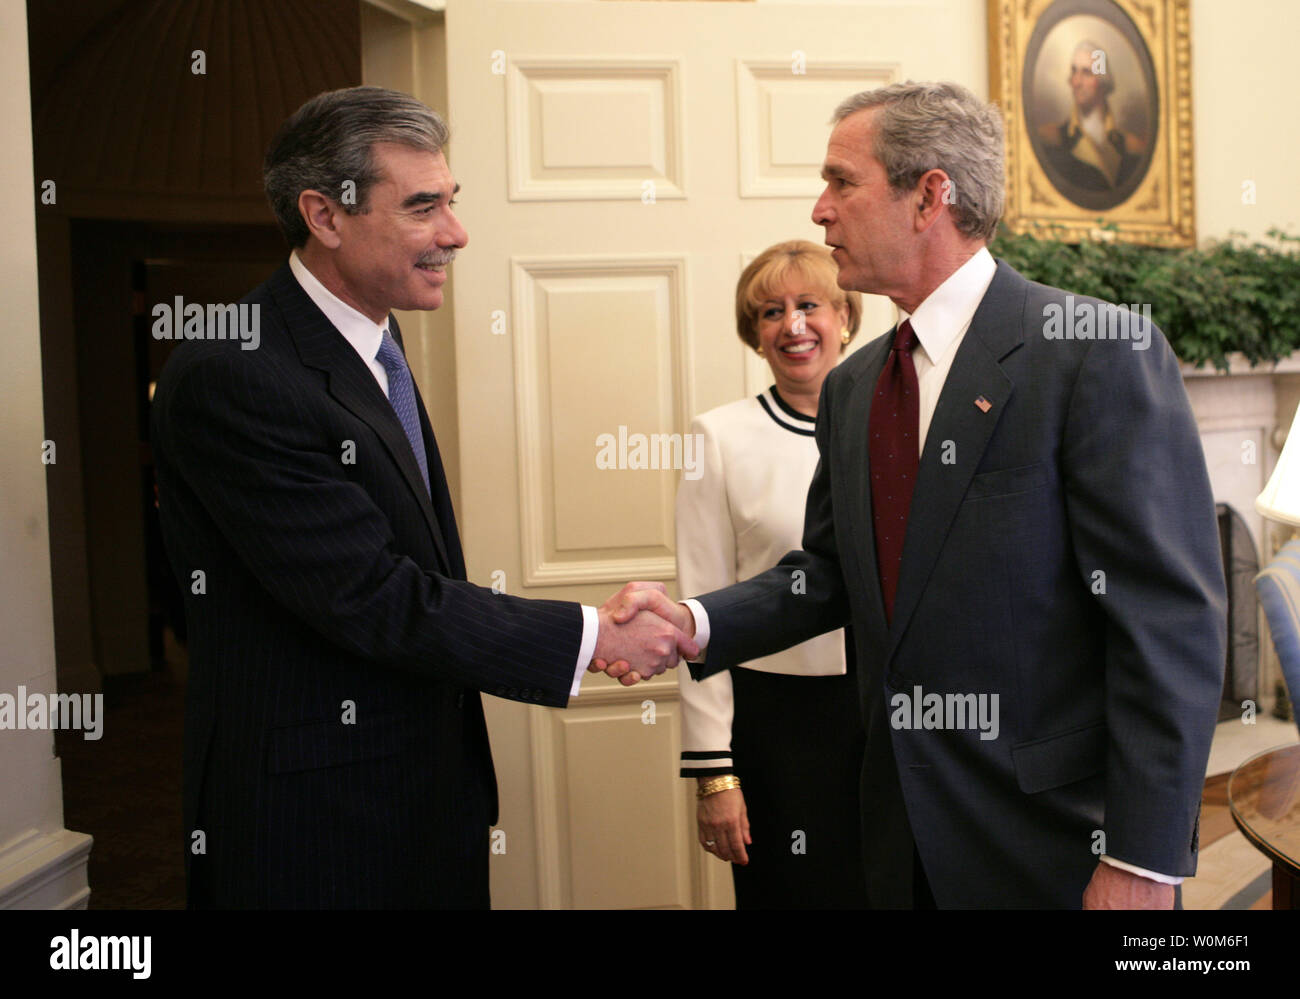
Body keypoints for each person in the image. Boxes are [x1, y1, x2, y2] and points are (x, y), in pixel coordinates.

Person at [611, 81, 1225, 909]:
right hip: (895, 838)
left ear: (929, 194)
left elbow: (1169, 621)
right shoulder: (855, 387)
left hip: (1054, 847)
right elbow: (827, 573)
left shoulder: (1091, 354)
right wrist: (697, 624)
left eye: (841, 181)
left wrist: (1146, 858)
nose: (820, 211)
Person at [150, 86, 695, 909]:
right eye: (422, 206)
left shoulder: (372, 333)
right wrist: (591, 633)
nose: (456, 232)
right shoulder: (237, 369)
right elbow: (369, 593)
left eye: (453, 200)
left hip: (418, 793)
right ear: (324, 216)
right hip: (316, 825)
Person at [676, 241, 867, 908]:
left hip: (895, 717)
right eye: (769, 312)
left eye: (809, 304)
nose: (792, 325)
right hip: (780, 729)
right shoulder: (719, 437)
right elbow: (701, 610)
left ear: (845, 315)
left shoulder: (901, 423)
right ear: (752, 333)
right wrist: (714, 774)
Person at [1037, 41, 1145, 195]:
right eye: (1074, 71)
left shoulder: (1130, 146)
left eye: (1086, 73)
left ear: (1102, 82)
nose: (1076, 82)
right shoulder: (1052, 139)